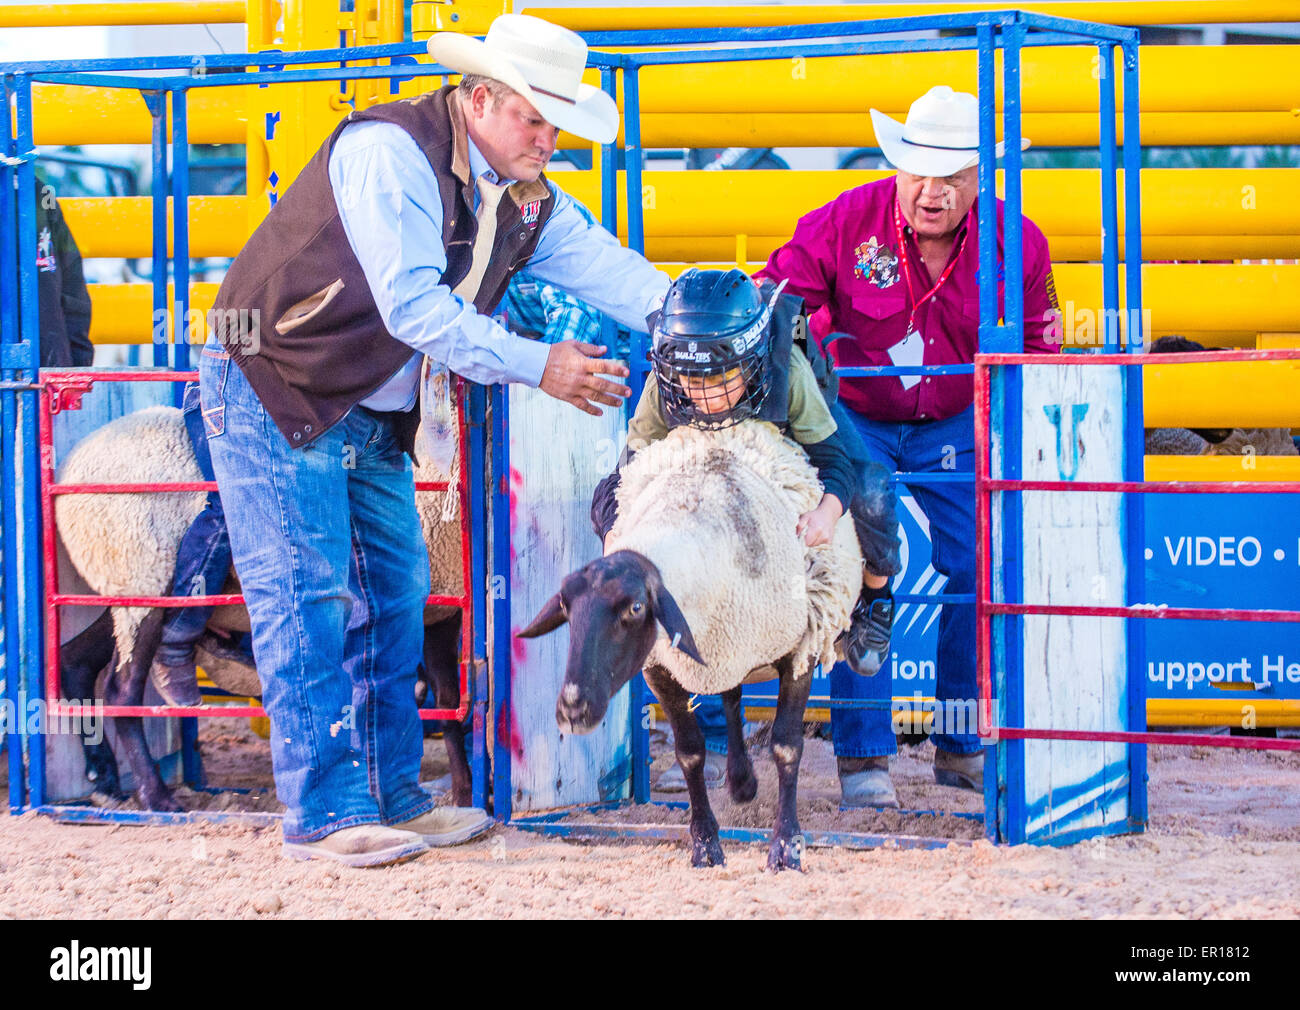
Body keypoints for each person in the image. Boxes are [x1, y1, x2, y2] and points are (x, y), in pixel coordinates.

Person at [199, 13, 671, 867]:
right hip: (276, 381)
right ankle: (325, 813)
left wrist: (694, 308)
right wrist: (540, 365)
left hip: (356, 404)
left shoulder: (518, 194)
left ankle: (391, 798)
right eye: (534, 118)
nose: (549, 138)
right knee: (307, 598)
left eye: (555, 122)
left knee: (392, 598)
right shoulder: (389, 152)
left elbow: (604, 264)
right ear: (480, 99)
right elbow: (412, 307)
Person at [756, 86, 1061, 807]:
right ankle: (865, 760)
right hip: (856, 415)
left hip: (955, 420)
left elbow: (1043, 342)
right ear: (896, 165)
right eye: (919, 169)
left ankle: (962, 745)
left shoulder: (1020, 244)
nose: (933, 190)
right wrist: (807, 372)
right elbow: (774, 293)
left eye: (952, 173)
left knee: (977, 567)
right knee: (862, 568)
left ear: (979, 178)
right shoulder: (841, 222)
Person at [589, 268, 902, 791]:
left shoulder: (786, 369)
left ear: (751, 360)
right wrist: (621, 542)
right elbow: (628, 475)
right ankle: (707, 741)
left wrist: (825, 514)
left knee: (872, 492)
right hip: (707, 474)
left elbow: (833, 461)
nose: (706, 395)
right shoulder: (663, 387)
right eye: (691, 381)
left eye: (720, 378)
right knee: (607, 499)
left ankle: (875, 599)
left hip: (781, 439)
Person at [31, 174, 93, 368]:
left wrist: (76, 365)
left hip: (44, 372)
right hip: (45, 369)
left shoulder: (37, 191)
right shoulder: (35, 189)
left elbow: (72, 286)